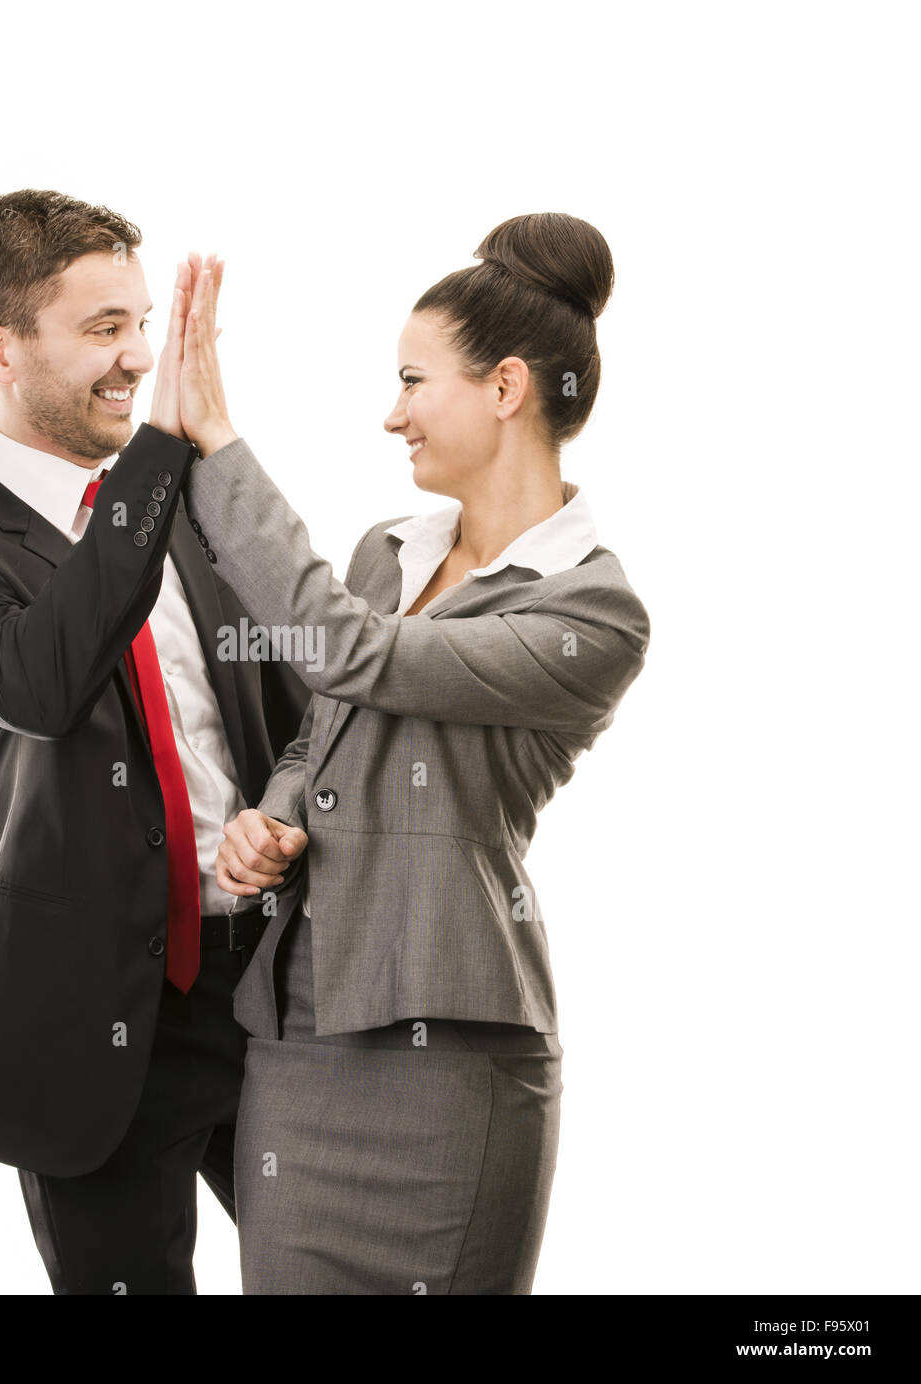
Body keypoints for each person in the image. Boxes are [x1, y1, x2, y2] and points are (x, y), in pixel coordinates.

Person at [171, 215, 651, 1293]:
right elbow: (324, 725)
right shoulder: (388, 552)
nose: (391, 414)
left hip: (454, 1057)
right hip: (301, 1035)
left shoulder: (594, 609)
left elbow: (351, 653)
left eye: (411, 380)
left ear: (505, 387)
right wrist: (278, 812)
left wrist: (218, 441)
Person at [0, 190, 309, 1294]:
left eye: (144, 323)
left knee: (347, 1275)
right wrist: (161, 454)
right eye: (105, 329)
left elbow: (305, 699)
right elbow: (46, 677)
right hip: (97, 1025)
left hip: (272, 996)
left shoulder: (193, 502)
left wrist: (286, 814)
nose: (140, 357)